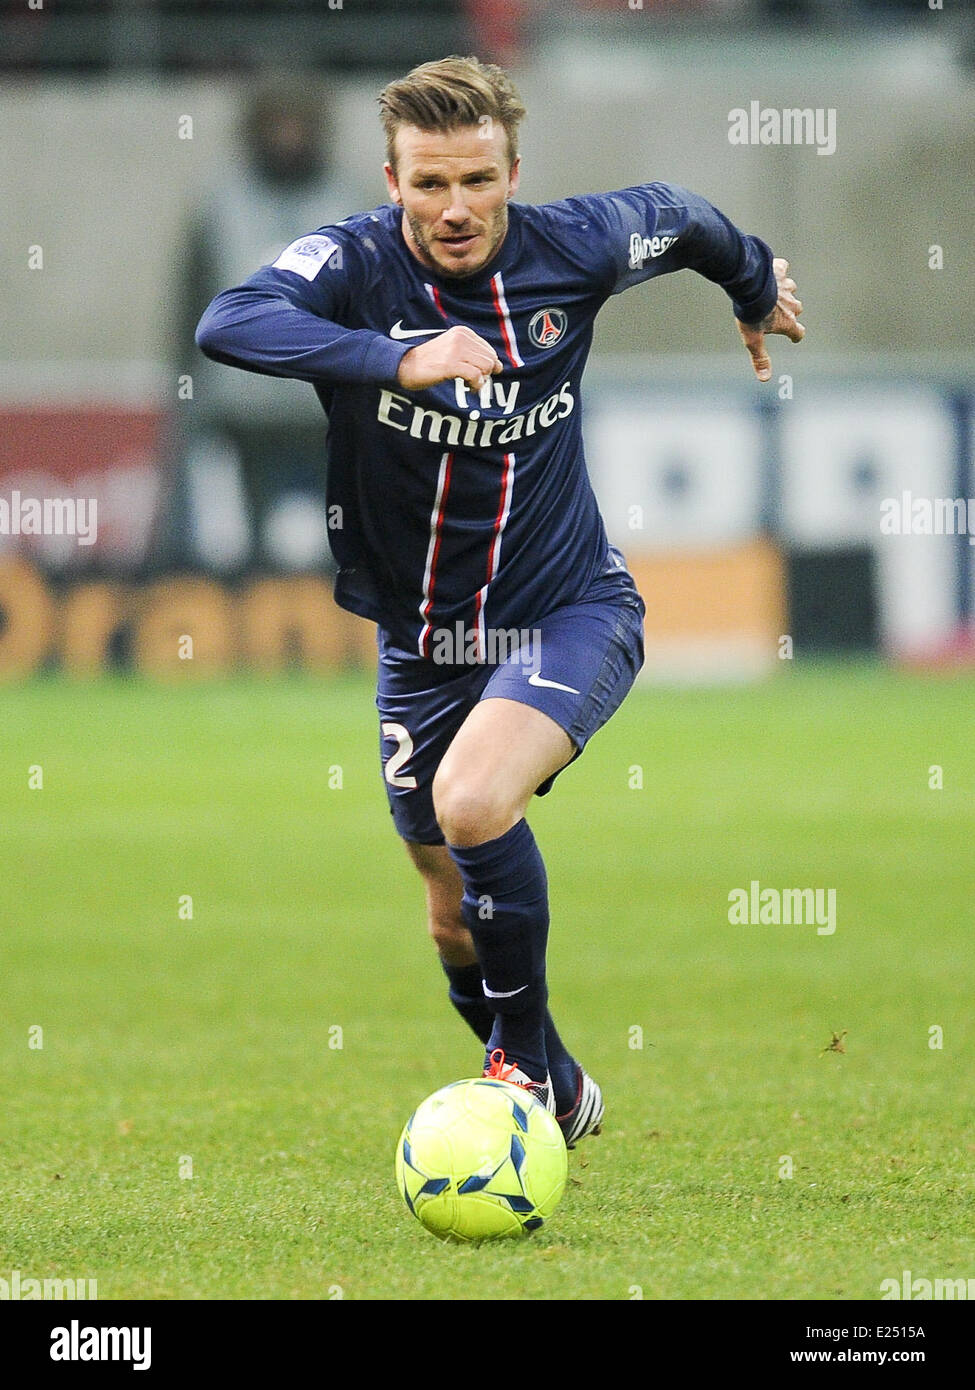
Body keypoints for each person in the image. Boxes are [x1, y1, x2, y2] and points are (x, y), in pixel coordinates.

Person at [195, 55, 804, 1147]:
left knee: (475, 804)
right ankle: (556, 1080)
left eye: (477, 179)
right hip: (422, 642)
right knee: (445, 898)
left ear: (514, 171)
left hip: (569, 606)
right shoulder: (350, 265)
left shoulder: (579, 244)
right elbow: (230, 322)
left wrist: (753, 282)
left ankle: (517, 1072)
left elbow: (690, 219)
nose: (456, 207)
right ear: (392, 181)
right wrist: (396, 356)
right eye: (429, 183)